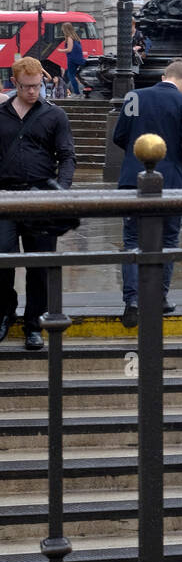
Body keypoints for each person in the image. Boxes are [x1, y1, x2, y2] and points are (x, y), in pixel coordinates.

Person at [113, 59, 182, 329]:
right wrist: (170, 158)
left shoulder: (134, 96)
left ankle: (132, 301)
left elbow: (119, 135)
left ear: (165, 76)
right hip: (170, 180)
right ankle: (160, 297)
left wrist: (135, 157)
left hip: (133, 179)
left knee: (132, 240)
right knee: (169, 239)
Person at [0, 57, 76, 350]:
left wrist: (62, 190)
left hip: (41, 195)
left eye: (38, 86)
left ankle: (34, 324)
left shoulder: (55, 116)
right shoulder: (2, 114)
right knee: (3, 261)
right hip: (5, 197)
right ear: (15, 84)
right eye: (28, 87)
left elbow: (67, 156)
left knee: (40, 266)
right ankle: (6, 312)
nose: (34, 91)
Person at [61, 21, 85, 97]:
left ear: (66, 29)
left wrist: (61, 50)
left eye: (63, 29)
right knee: (77, 75)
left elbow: (69, 49)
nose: (62, 31)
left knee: (70, 75)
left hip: (72, 59)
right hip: (79, 59)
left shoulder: (69, 38)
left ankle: (77, 93)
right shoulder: (76, 38)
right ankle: (82, 91)